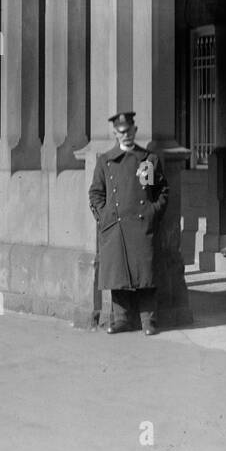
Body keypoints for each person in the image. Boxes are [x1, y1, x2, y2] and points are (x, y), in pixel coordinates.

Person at [87, 111, 167, 336]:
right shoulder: (106, 161)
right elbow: (96, 193)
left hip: (142, 225)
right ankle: (121, 319)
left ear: (135, 131)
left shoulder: (145, 160)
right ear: (115, 133)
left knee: (145, 273)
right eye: (121, 132)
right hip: (116, 226)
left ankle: (148, 320)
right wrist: (105, 218)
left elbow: (156, 191)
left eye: (130, 131)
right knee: (118, 274)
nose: (126, 136)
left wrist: (152, 213)